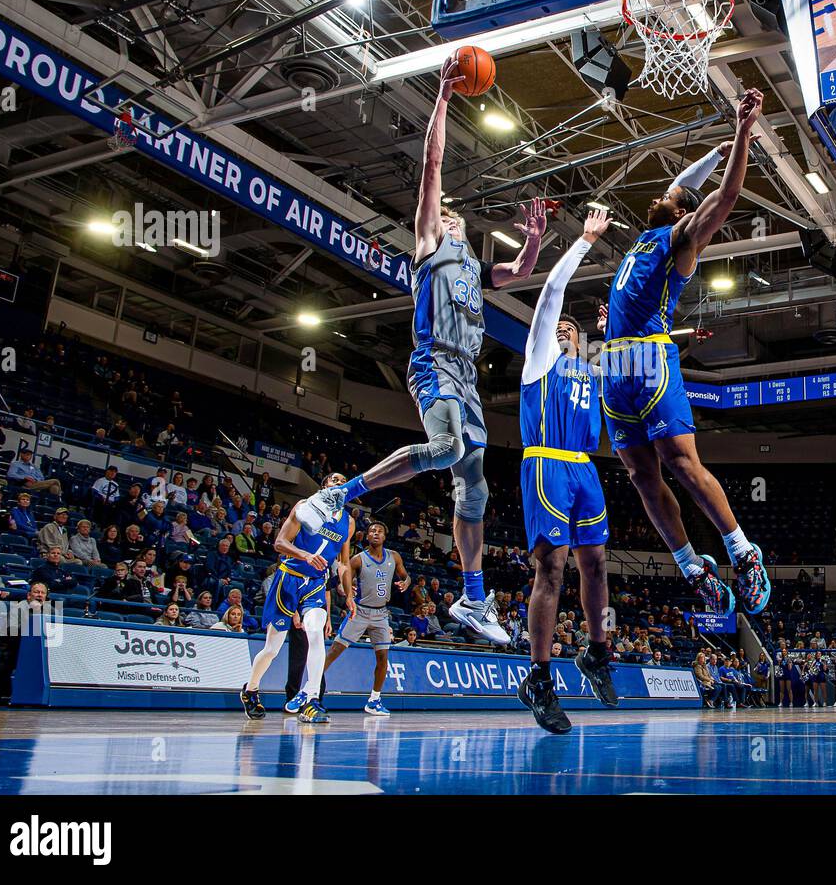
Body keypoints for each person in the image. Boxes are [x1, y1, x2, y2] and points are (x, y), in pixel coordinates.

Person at [290, 61, 544, 650]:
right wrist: (443, 95)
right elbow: (431, 164)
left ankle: (474, 597)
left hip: (468, 378)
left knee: (475, 487)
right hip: (433, 361)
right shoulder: (430, 244)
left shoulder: (476, 270)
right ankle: (340, 493)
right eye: (448, 214)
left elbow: (522, 271)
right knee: (447, 446)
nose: (453, 218)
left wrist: (533, 240)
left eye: (457, 217)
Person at [599, 89, 770, 619]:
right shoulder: (652, 230)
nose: (665, 192)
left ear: (682, 214)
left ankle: (743, 552)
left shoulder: (681, 236)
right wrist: (716, 152)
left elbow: (726, 196)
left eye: (673, 197)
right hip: (615, 366)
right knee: (641, 477)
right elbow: (685, 183)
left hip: (649, 361)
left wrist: (743, 133)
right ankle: (692, 565)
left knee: (680, 463)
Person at [515, 210, 617, 733]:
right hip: (546, 465)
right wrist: (583, 243)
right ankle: (538, 675)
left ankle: (596, 653)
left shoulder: (592, 369)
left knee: (596, 564)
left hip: (585, 469)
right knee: (551, 568)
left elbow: (625, 358)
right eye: (555, 329)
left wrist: (612, 325)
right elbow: (552, 293)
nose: (559, 331)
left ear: (579, 341)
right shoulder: (539, 358)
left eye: (568, 331)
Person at [240, 472, 352, 724]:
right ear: (324, 486)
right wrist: (304, 555)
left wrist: (349, 594)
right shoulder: (304, 507)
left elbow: (344, 563)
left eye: (344, 480)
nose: (340, 482)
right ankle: (251, 689)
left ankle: (312, 700)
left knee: (315, 634)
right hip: (288, 578)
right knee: (272, 649)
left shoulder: (348, 520)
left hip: (315, 583)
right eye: (335, 479)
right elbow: (280, 543)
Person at [324, 521, 407, 716]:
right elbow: (343, 583)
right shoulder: (357, 559)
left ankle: (374, 700)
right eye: (372, 531)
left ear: (385, 537)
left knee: (382, 657)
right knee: (335, 650)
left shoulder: (394, 557)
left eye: (379, 531)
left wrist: (405, 582)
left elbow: (406, 576)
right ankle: (310, 691)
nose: (375, 533)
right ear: (367, 537)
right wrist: (348, 593)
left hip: (381, 614)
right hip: (360, 611)